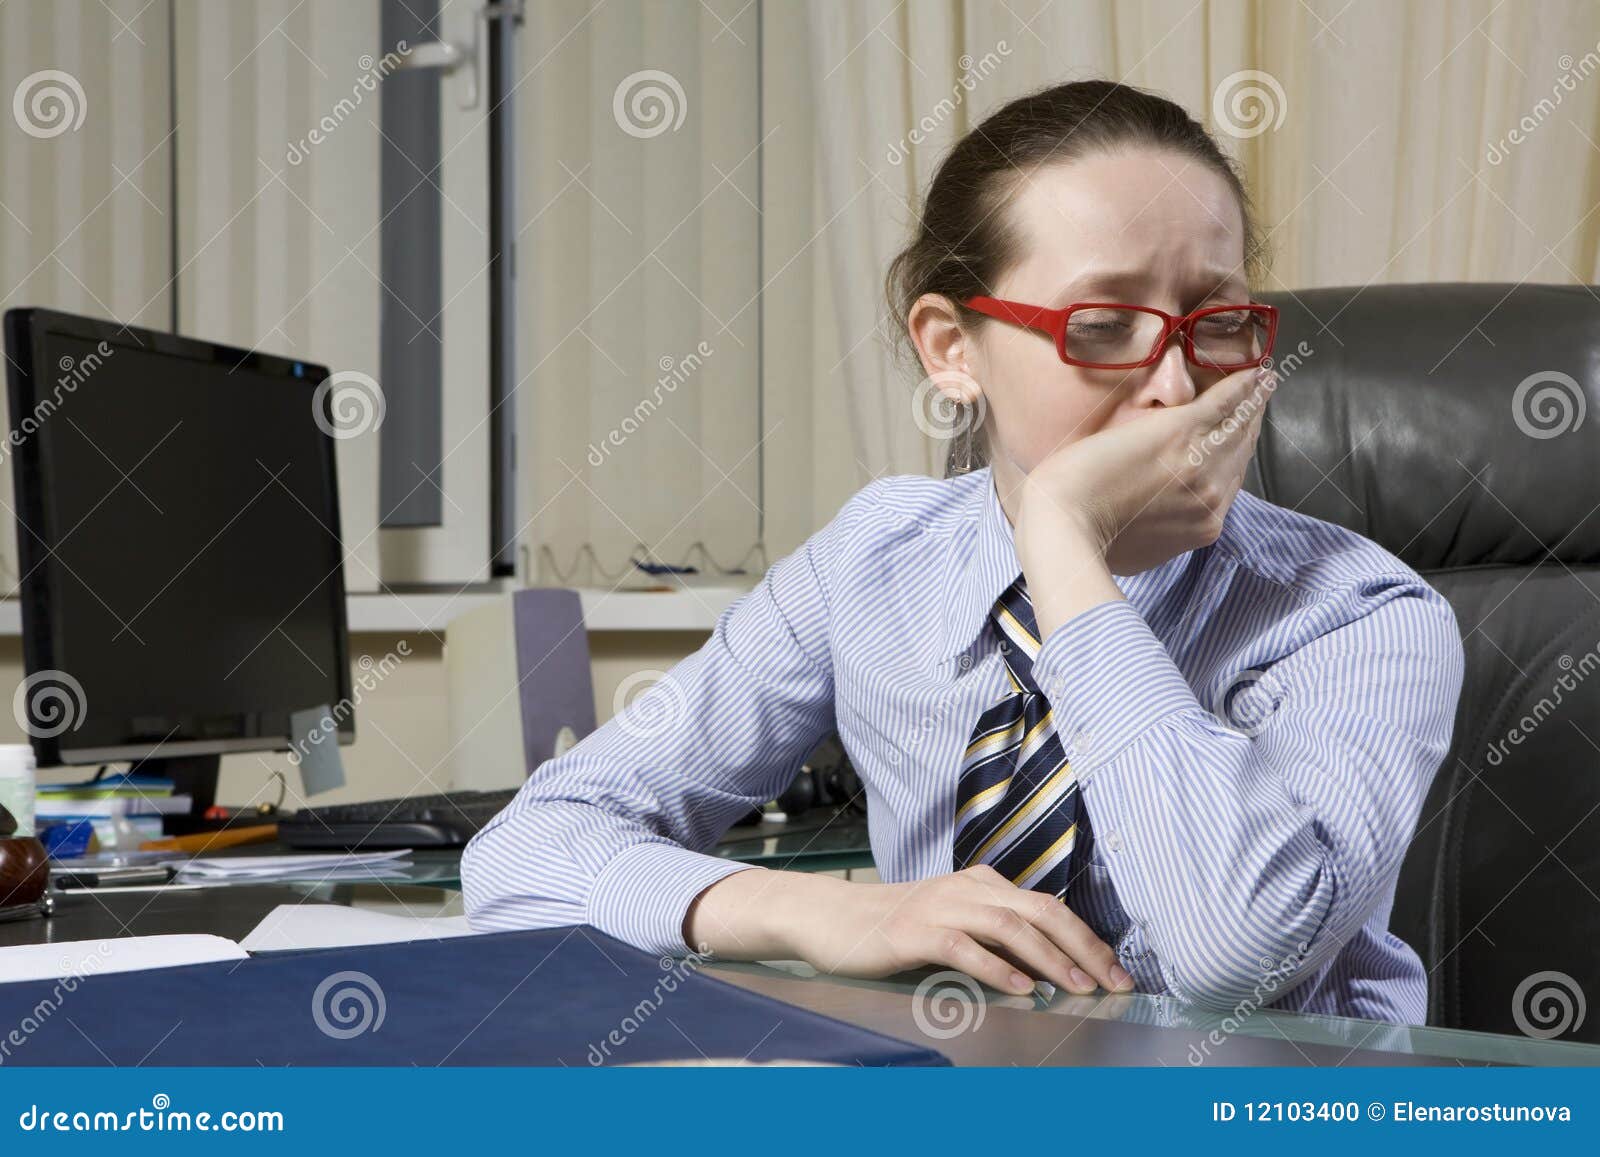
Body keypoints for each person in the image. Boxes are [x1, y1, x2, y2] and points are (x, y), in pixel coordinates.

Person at [462, 79, 1464, 1023]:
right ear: (950, 348)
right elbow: (525, 850)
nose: (1172, 385)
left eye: (1216, 322)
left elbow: (1233, 956)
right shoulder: (874, 560)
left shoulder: (1362, 610)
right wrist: (820, 914)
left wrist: (1064, 549)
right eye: (1104, 324)